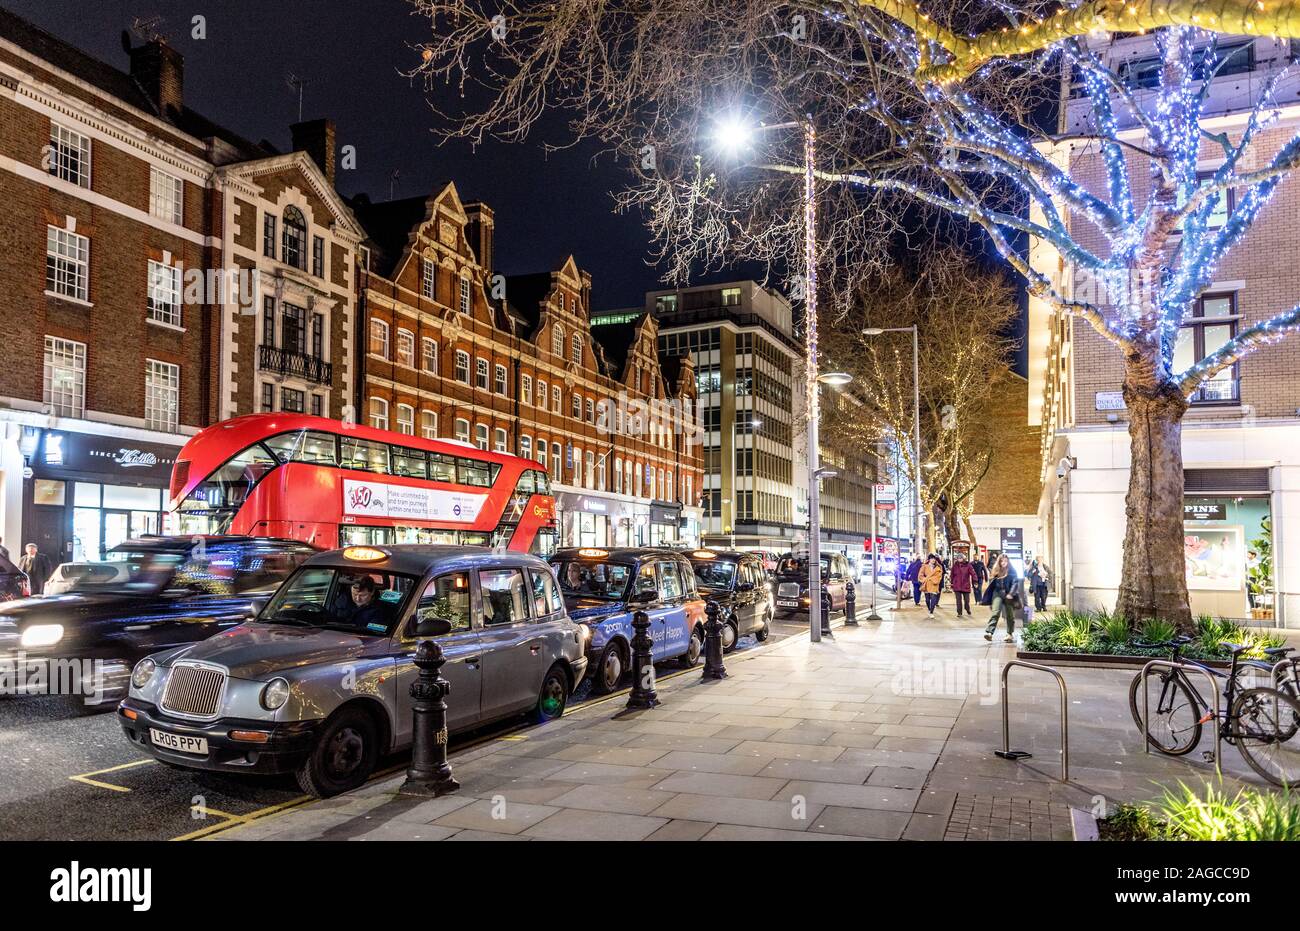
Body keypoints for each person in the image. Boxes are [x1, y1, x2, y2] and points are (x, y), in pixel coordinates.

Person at [981, 554, 1020, 642]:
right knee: (995, 612)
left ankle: (1009, 634)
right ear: (999, 562)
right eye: (1002, 561)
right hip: (997, 593)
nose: (1003, 563)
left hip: (1008, 594)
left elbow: (1015, 583)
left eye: (1005, 561)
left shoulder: (1012, 571)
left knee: (1010, 615)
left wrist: (1011, 594)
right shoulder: (996, 570)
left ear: (1008, 562)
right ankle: (989, 633)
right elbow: (992, 584)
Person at [949, 552, 975, 617]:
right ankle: (959, 612)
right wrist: (951, 583)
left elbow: (973, 573)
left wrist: (975, 581)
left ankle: (967, 608)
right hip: (957, 585)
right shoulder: (955, 566)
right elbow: (952, 575)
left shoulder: (968, 565)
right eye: (958, 558)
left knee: (966, 600)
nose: (959, 559)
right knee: (958, 600)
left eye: (961, 558)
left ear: (963, 558)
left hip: (965, 585)